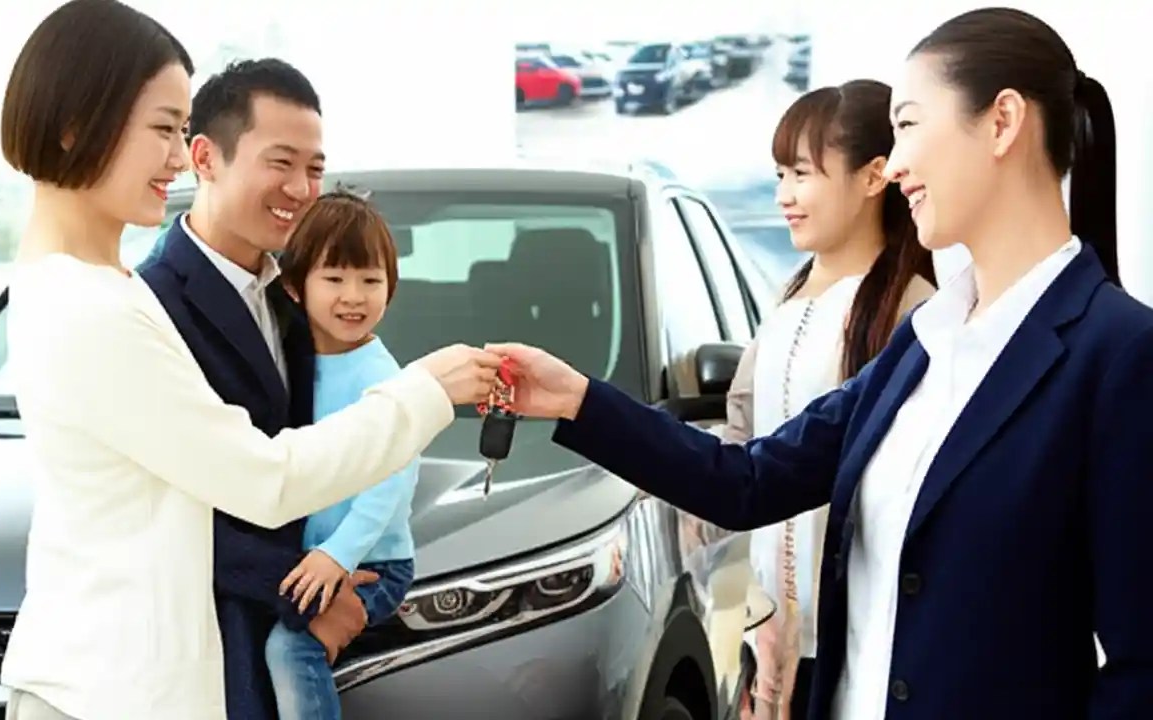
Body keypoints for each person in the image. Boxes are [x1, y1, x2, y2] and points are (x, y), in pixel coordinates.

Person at [489, 7, 1152, 719]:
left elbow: (1142, 665)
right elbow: (749, 480)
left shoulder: (1117, 354)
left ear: (1002, 123)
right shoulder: (925, 341)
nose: (895, 165)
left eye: (908, 125)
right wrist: (577, 400)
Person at [0, 2, 499, 719]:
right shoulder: (90, 310)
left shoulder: (100, 289)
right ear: (79, 124)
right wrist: (426, 390)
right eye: (165, 129)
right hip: (105, 696)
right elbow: (263, 480)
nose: (176, 156)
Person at [721, 79, 934, 720]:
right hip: (769, 626)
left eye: (804, 173)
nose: (785, 196)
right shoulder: (787, 304)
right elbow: (741, 434)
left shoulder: (913, 311)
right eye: (781, 173)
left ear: (874, 176)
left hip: (859, 636)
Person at [135, 57, 336, 720]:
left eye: (315, 167)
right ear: (204, 157)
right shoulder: (152, 303)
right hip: (216, 655)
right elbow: (168, 505)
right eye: (281, 163)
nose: (303, 188)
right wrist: (314, 596)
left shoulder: (298, 292)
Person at [261, 191, 418, 720]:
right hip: (308, 558)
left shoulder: (382, 377)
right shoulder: (287, 366)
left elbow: (390, 483)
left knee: (290, 646)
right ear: (293, 285)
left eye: (370, 281)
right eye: (334, 279)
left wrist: (338, 556)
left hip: (372, 561)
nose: (354, 296)